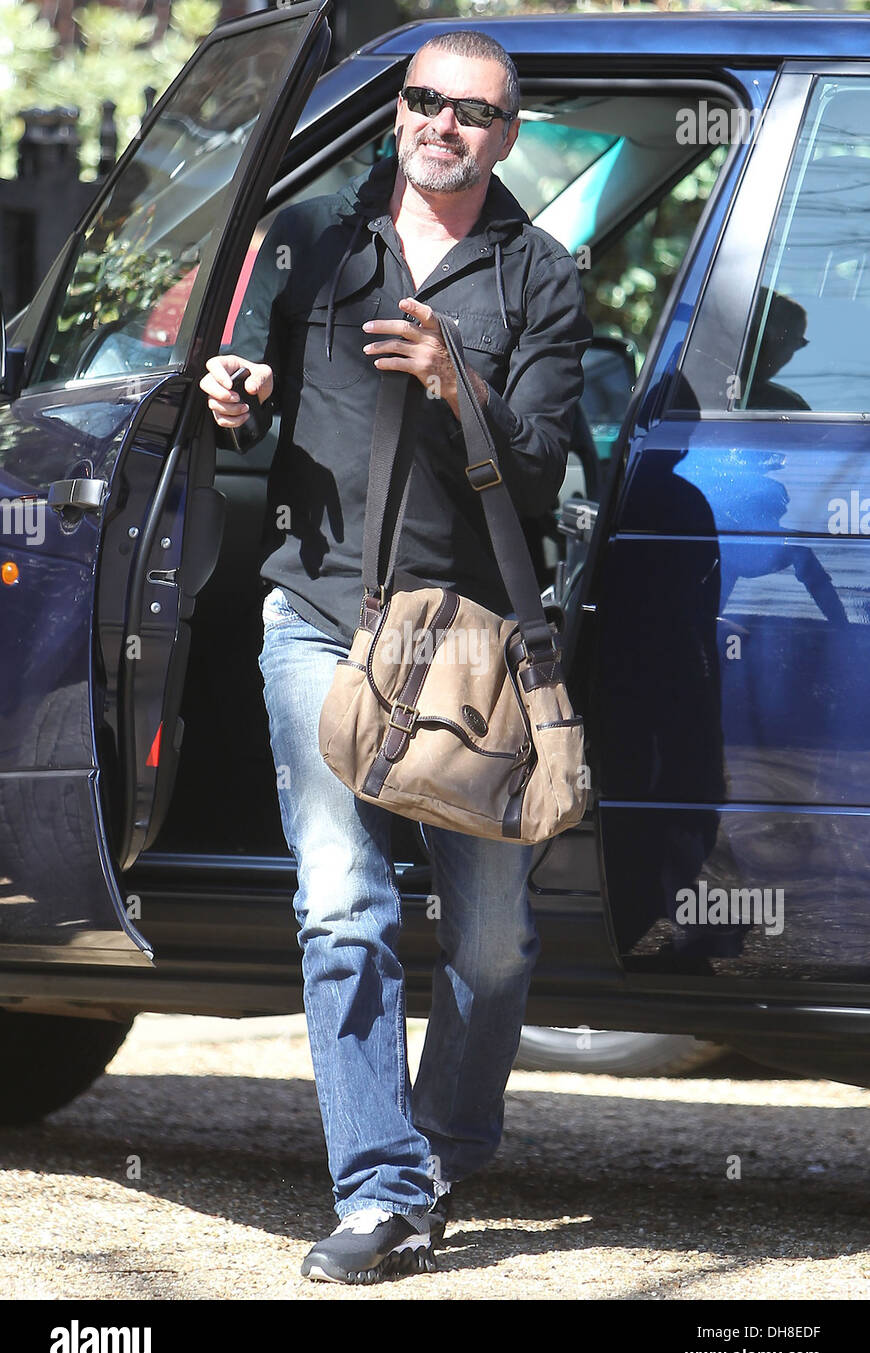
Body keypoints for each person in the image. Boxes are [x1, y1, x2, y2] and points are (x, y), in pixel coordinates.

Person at [199, 29, 592, 1284]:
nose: (442, 124)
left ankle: (443, 1146)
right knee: (342, 904)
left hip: (463, 642)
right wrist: (241, 394)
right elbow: (279, 377)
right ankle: (377, 1187)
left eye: (472, 112)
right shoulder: (318, 238)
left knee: (491, 943)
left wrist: (450, 379)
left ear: (506, 134)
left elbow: (538, 465)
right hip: (317, 612)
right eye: (424, 101)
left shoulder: (539, 277)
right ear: (400, 115)